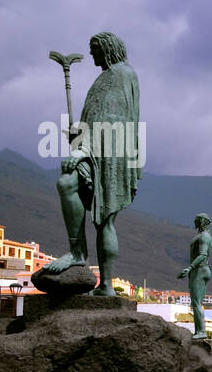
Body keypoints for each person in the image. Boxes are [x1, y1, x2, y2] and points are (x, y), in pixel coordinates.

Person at [42, 31, 141, 295]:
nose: (93, 56)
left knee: (103, 219)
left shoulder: (122, 74)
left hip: (110, 157)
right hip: (95, 151)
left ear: (108, 48)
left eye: (95, 50)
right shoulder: (106, 77)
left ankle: (99, 277)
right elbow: (98, 119)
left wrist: (84, 148)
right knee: (70, 188)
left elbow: (114, 121)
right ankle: (82, 258)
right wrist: (78, 136)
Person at [178, 215, 212, 340]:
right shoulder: (206, 236)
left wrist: (190, 268)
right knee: (197, 302)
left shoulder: (204, 236)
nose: (194, 221)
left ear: (203, 221)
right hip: (202, 270)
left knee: (196, 302)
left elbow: (203, 254)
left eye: (197, 220)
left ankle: (201, 331)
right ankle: (199, 330)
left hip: (199, 270)